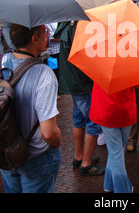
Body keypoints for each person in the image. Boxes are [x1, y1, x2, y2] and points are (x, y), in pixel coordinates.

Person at [0, 24, 62, 192]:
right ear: (34, 38)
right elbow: (48, 133)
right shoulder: (44, 74)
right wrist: (58, 141)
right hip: (35, 156)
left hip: (3, 149)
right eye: (45, 32)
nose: (47, 35)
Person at [53, 21, 104, 176]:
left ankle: (79, 156)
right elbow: (87, 56)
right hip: (84, 82)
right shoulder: (80, 27)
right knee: (92, 123)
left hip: (74, 83)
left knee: (79, 120)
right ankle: (86, 163)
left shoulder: (65, 24)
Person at [89, 83, 139, 193]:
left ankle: (109, 183)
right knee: (117, 151)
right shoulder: (131, 64)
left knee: (115, 151)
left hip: (105, 108)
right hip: (125, 108)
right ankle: (122, 189)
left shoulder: (98, 65)